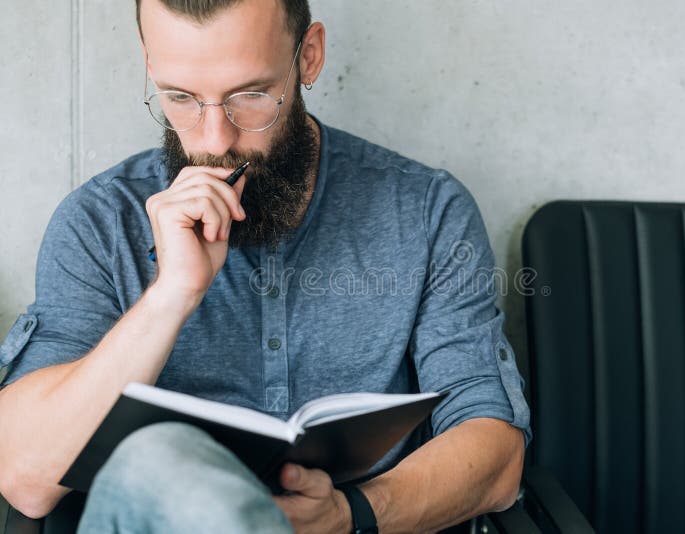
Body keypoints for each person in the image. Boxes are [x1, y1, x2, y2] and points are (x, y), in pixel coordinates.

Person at [0, 0, 530, 531]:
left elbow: (496, 458)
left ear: (310, 57)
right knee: (156, 458)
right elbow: (26, 479)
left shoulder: (425, 209)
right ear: (149, 64)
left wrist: (352, 515)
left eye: (250, 96)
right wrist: (171, 295)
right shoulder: (98, 221)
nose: (214, 142)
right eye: (180, 98)